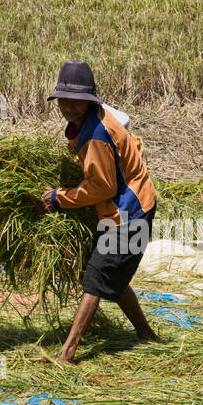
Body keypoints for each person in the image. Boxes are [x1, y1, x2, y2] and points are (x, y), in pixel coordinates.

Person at [41, 60, 158, 365]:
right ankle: (146, 334)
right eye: (63, 100)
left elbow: (102, 188)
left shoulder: (96, 134)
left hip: (129, 212)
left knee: (96, 277)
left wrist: (60, 197)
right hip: (133, 204)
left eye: (75, 101)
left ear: (89, 101)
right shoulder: (94, 120)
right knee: (114, 279)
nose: (68, 106)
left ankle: (67, 353)